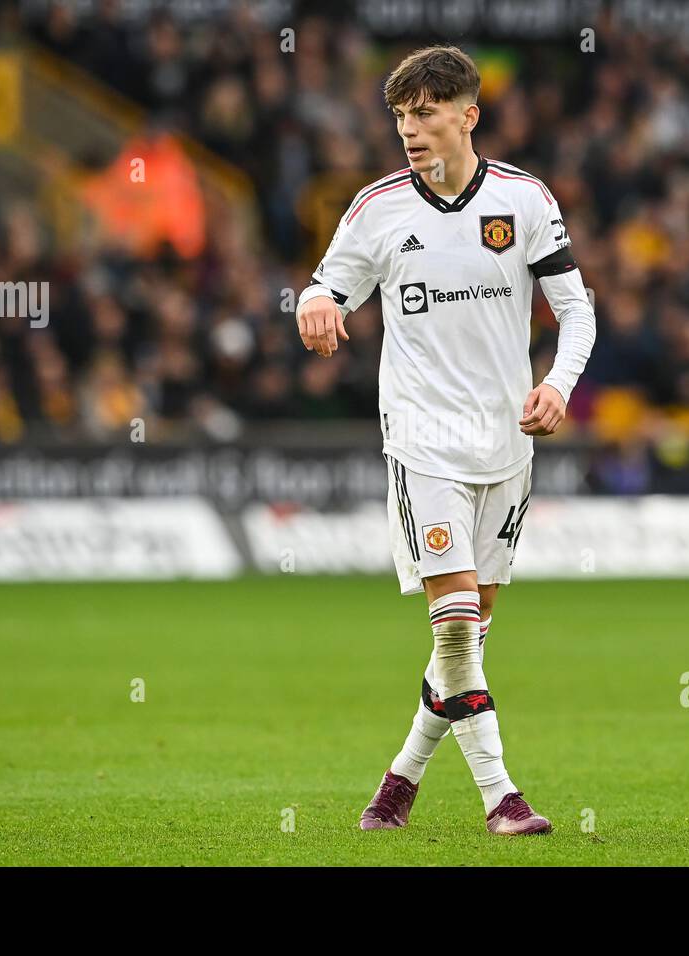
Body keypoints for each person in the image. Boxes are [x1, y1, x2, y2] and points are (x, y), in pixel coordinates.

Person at [295, 45, 596, 836]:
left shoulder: (524, 201)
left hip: (507, 445)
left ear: (469, 115)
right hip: (423, 441)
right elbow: (325, 287)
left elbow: (577, 311)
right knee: (457, 624)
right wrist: (314, 303)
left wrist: (558, 385)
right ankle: (504, 799)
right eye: (400, 116)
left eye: (425, 113)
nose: (409, 129)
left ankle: (398, 784)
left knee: (467, 635)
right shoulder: (378, 209)